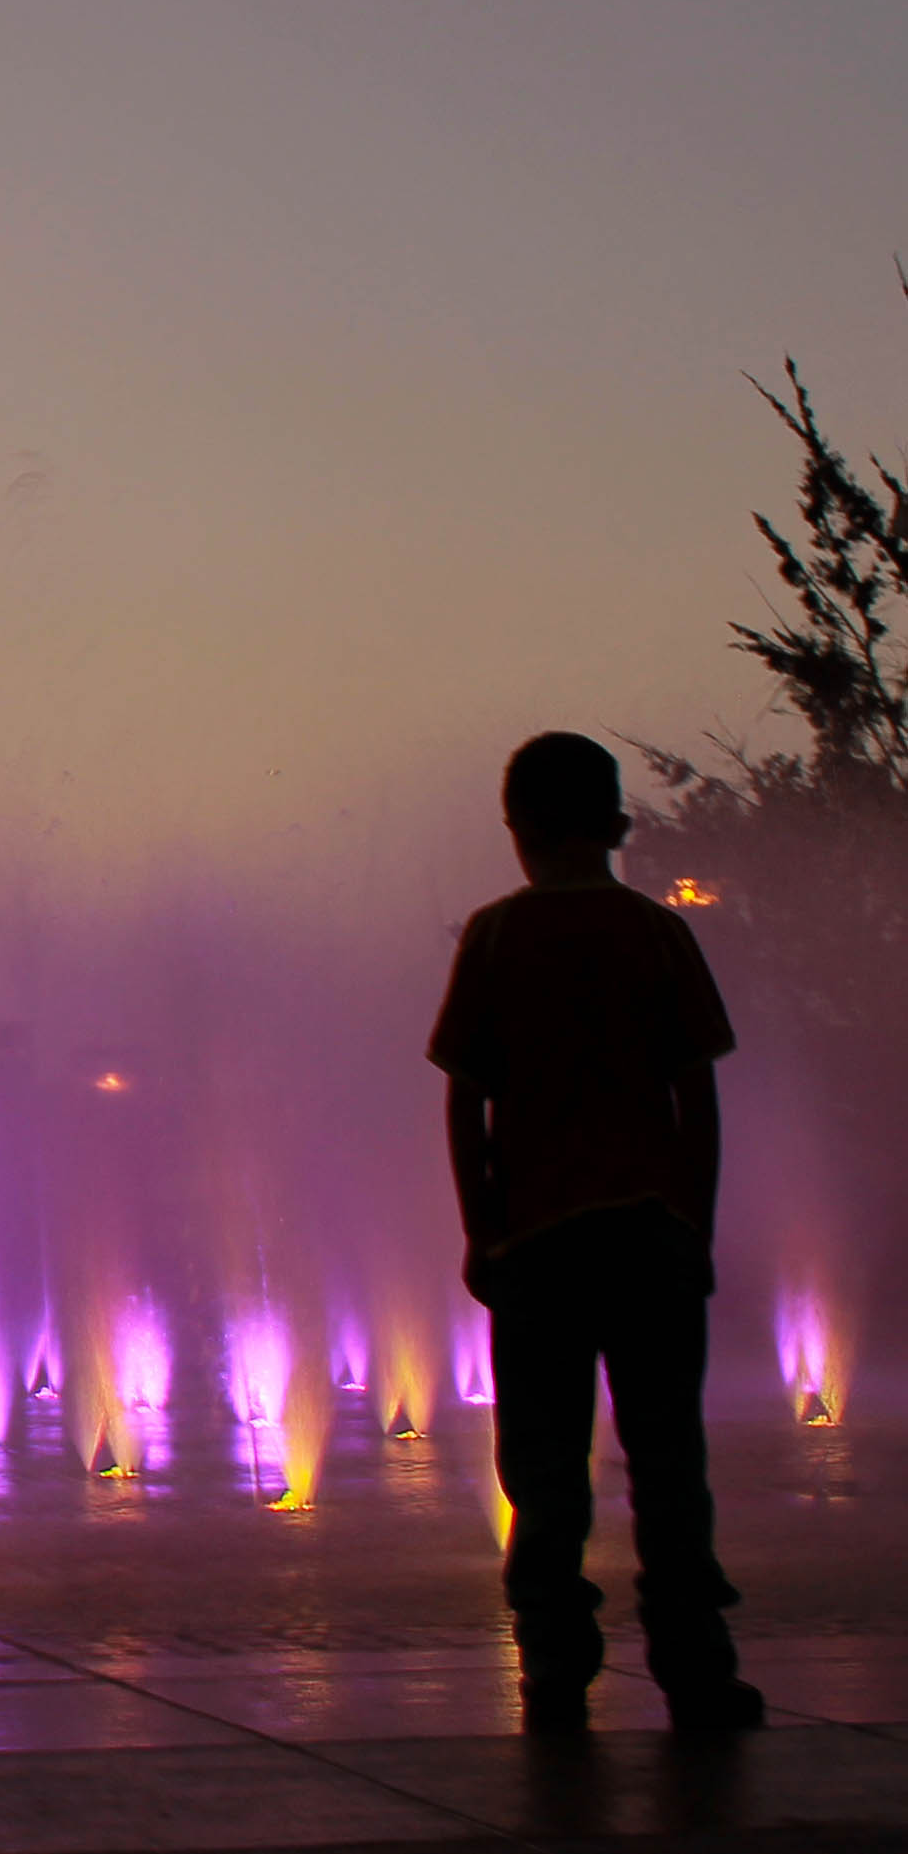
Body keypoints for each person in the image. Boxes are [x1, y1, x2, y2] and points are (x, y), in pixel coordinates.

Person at [431, 730, 764, 1734]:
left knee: (543, 1469)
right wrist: (694, 1223)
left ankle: (554, 1663)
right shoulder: (656, 934)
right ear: (616, 824)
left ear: (517, 829)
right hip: (651, 1237)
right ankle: (694, 1669)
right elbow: (696, 1097)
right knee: (668, 1463)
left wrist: (481, 1231)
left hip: (536, 1245)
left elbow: (466, 1101)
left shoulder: (495, 936)